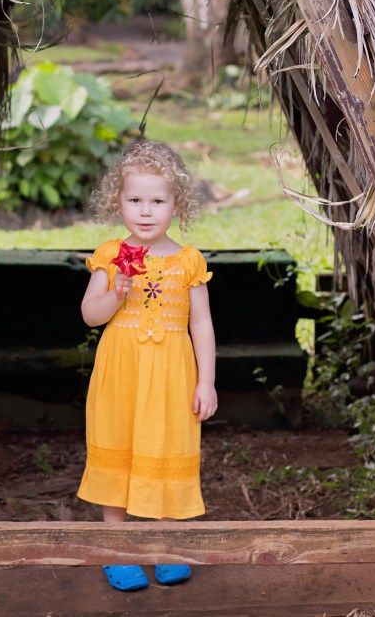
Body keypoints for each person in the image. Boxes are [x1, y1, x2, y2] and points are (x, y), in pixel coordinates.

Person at [77, 139, 217, 592]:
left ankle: (163, 545)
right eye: (134, 199)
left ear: (177, 205)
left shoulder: (188, 260)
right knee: (117, 442)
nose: (145, 211)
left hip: (174, 374)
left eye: (157, 201)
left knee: (164, 445)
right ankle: (117, 549)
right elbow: (90, 315)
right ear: (117, 201)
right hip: (122, 370)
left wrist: (207, 383)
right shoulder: (112, 255)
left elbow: (202, 326)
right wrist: (115, 291)